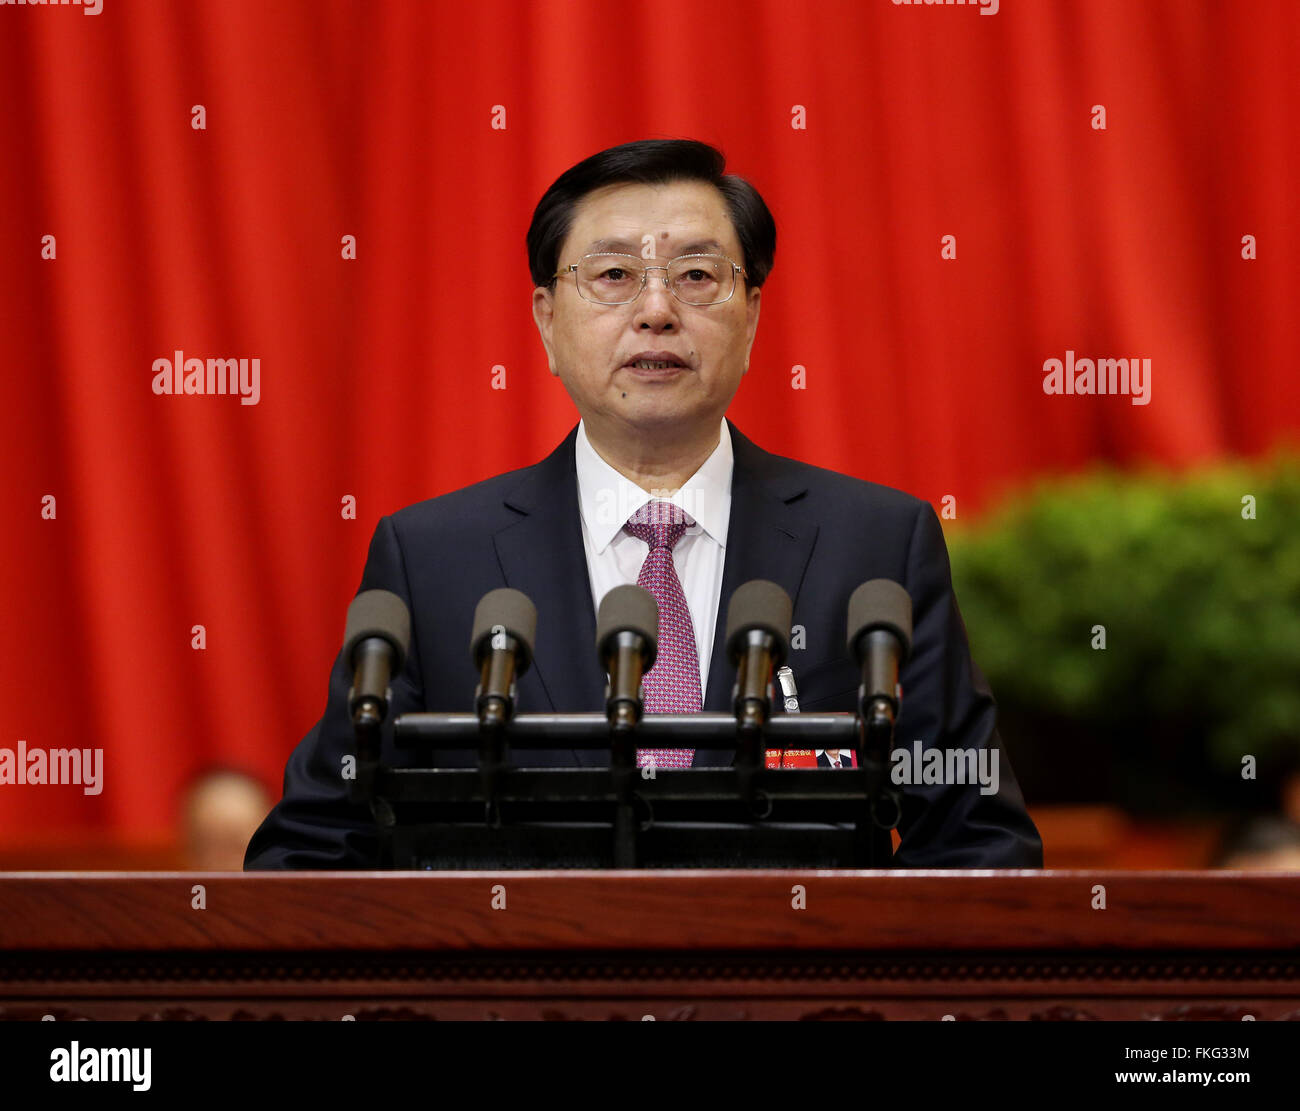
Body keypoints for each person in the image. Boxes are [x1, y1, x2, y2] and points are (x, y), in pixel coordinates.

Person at [245, 138, 1042, 870]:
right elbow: (313, 850)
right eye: (614, 275)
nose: (657, 309)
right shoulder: (431, 560)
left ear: (753, 314)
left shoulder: (876, 545)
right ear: (547, 322)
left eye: (697, 275)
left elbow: (979, 843)